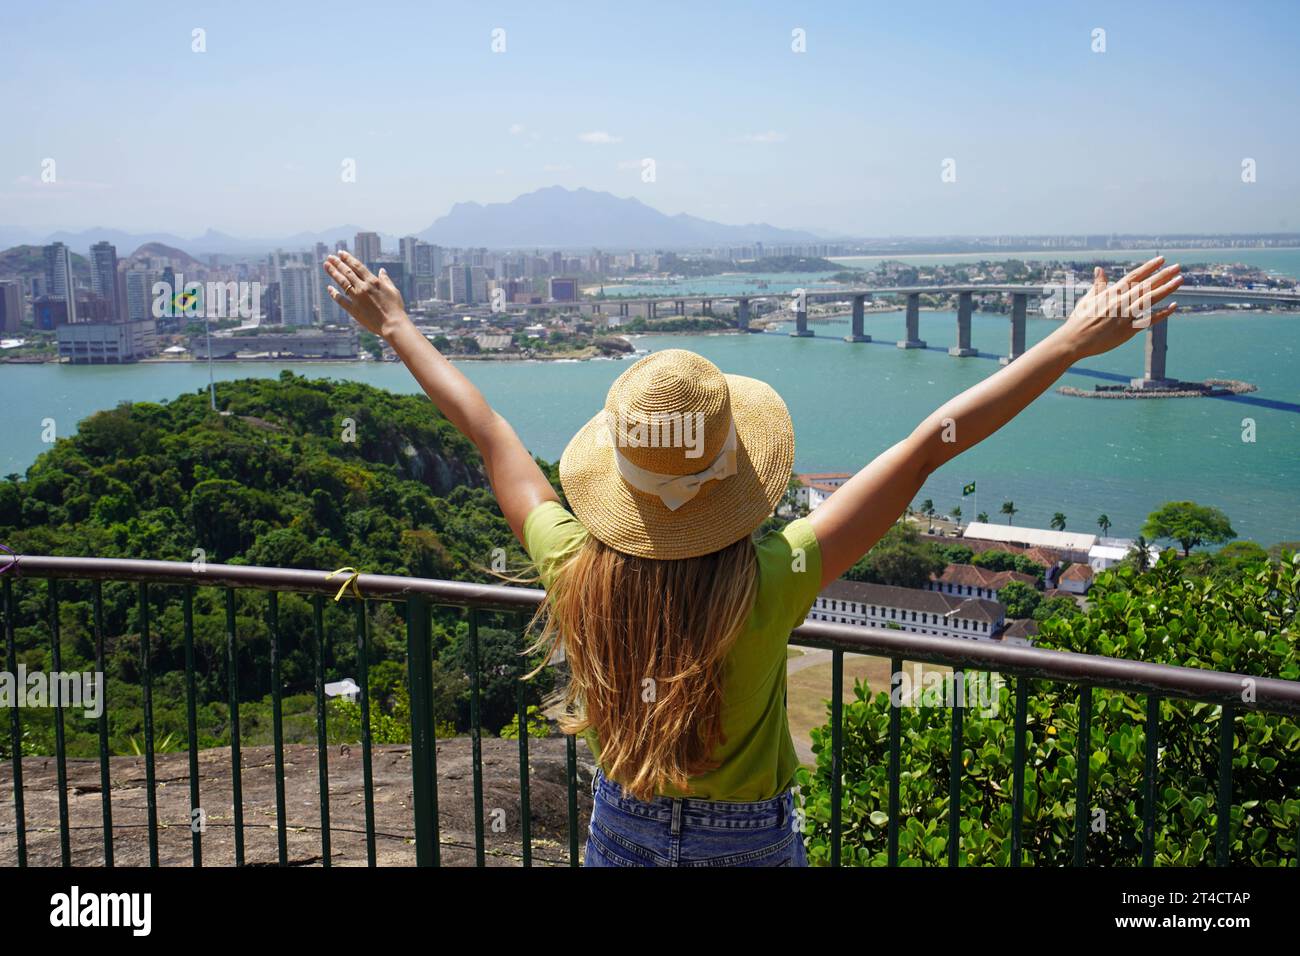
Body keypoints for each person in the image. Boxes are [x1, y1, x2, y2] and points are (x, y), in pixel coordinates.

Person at [322, 251, 1182, 867]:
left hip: (618, 827)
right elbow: (928, 447)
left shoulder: (571, 561)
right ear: (733, 469)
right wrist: (1068, 342)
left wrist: (395, 323)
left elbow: (488, 434)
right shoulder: (772, 576)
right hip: (752, 841)